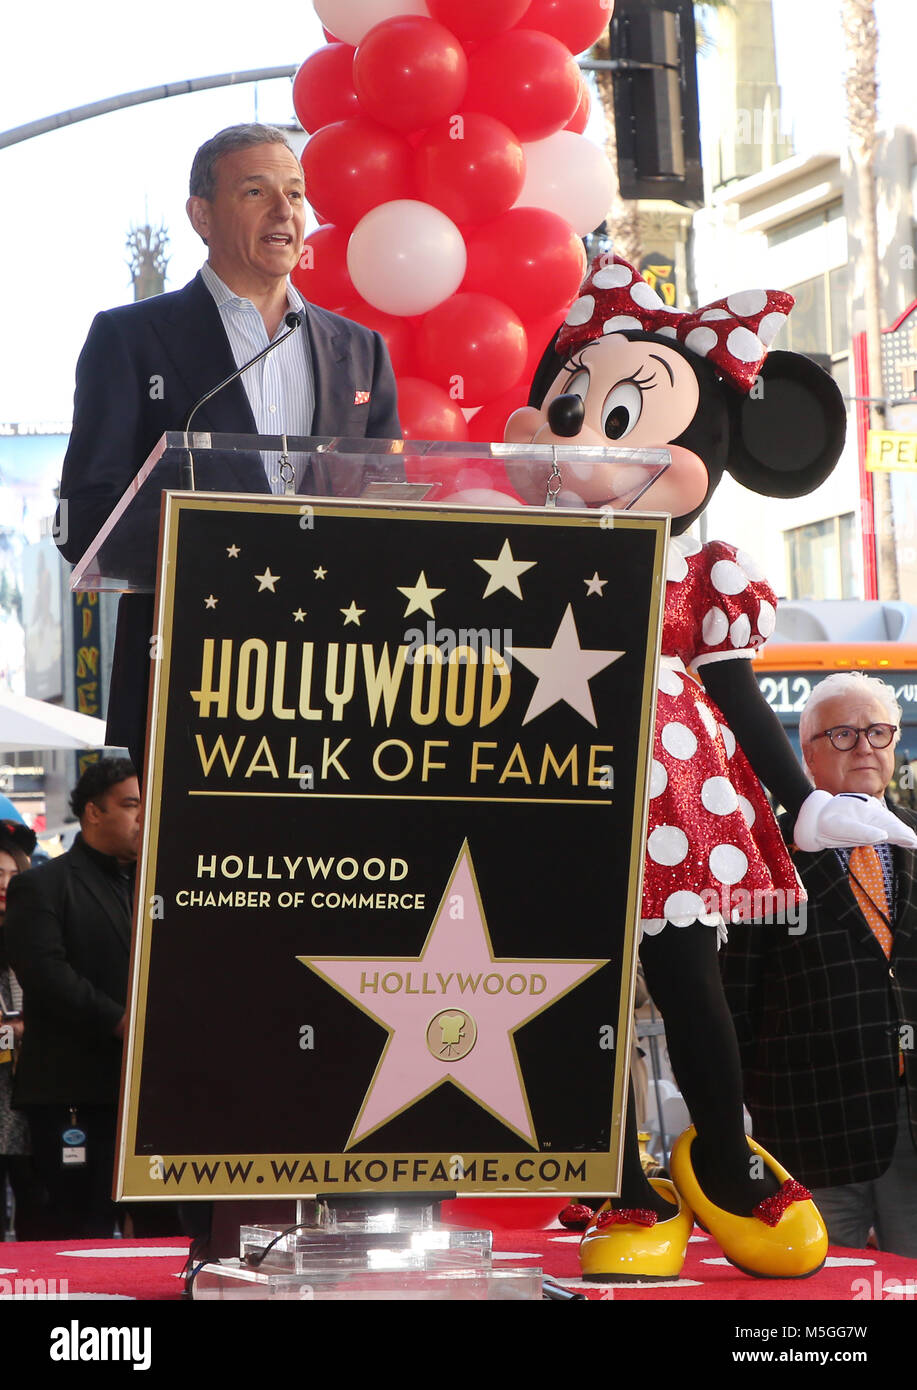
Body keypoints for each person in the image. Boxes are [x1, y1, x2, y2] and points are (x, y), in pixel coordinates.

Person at [505, 254, 916, 1282]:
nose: (580, 438)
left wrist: (807, 800)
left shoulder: (702, 571)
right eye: (568, 409)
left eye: (620, 416)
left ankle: (722, 1160)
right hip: (544, 785)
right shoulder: (507, 552)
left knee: (688, 983)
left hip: (665, 791)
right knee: (563, 985)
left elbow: (734, 691)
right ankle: (612, 1179)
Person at [56, 123, 402, 773]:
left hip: (333, 673)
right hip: (189, 662)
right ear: (201, 215)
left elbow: (390, 501)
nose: (285, 212)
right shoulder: (130, 338)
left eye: (296, 195)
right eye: (256, 191)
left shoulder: (358, 350)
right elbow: (88, 512)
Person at [722, 671, 917, 1257]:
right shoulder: (768, 855)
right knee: (822, 1289)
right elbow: (734, 1000)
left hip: (913, 1132)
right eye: (843, 734)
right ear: (804, 754)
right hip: (810, 1129)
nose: (864, 747)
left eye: (879, 732)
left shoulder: (913, 841)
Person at [3, 760, 178, 1238]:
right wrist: (121, 1021)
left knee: (169, 1231)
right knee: (80, 1233)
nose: (143, 817)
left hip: (154, 1097)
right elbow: (45, 973)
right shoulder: (42, 884)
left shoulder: (162, 886)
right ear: (92, 813)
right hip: (75, 1095)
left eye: (148, 806)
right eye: (131, 805)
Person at [0, 818, 46, 1239]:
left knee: (38, 1201)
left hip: (32, 1090)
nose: (6, 884)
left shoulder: (40, 932)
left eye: (16, 874)